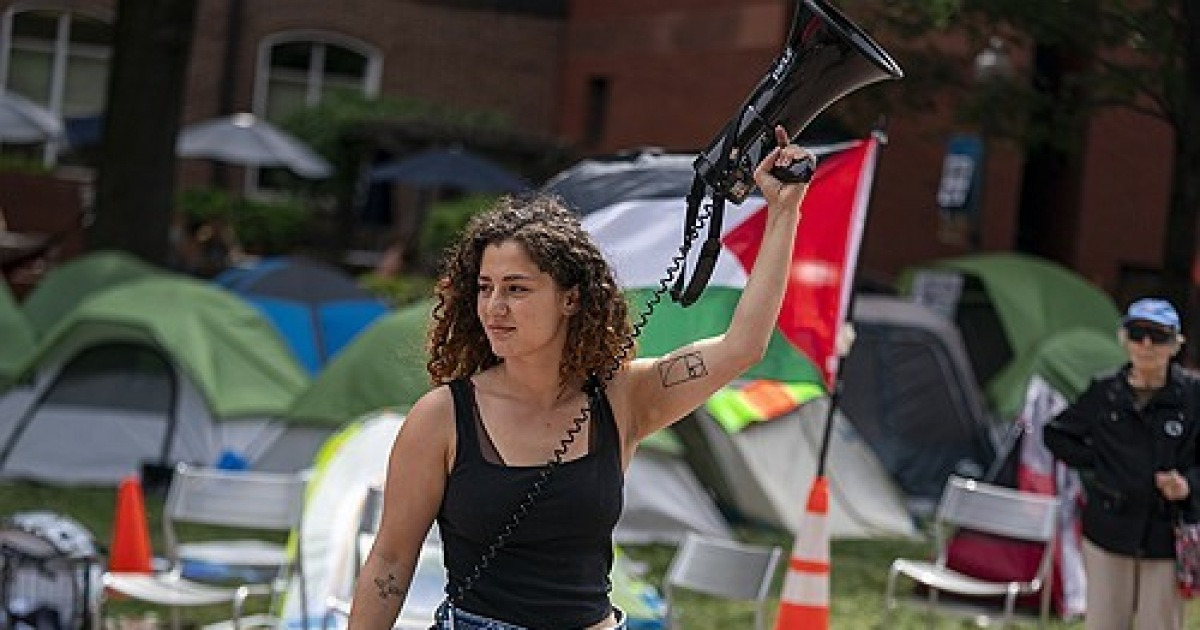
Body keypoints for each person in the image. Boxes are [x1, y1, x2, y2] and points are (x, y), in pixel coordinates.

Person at [346, 125, 812, 630]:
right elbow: (390, 562)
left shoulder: (623, 396)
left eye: (517, 289)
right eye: (485, 288)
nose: (494, 307)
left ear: (571, 298)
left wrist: (784, 210)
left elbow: (741, 347)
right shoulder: (442, 416)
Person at [1045, 297, 1200, 630]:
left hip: (1166, 536)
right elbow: (1056, 435)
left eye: (1158, 336)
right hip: (1108, 532)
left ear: (1174, 345)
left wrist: (1188, 484)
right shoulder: (1105, 392)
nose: (1146, 345)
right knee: (1104, 623)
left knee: (1158, 624)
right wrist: (1102, 465)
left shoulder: (1192, 396)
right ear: (1124, 339)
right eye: (1137, 333)